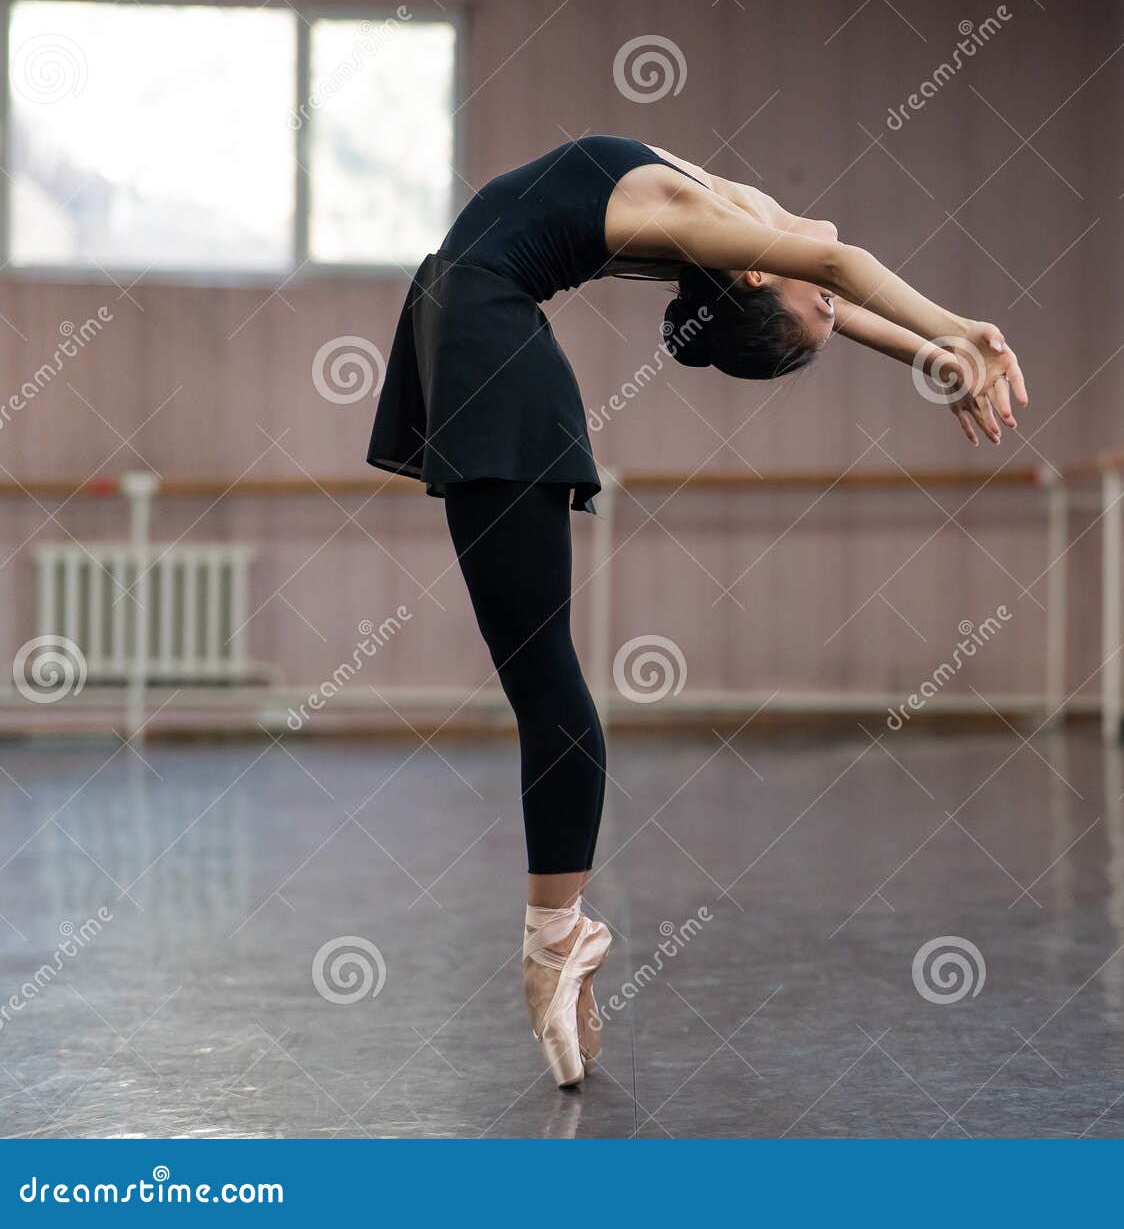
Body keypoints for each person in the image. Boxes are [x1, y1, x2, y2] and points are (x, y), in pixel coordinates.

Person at [367, 135, 1028, 1089]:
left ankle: (556, 936)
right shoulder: (699, 221)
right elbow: (831, 262)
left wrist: (938, 348)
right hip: (477, 337)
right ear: (754, 270)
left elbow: (825, 271)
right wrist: (954, 331)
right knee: (540, 667)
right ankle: (555, 939)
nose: (830, 297)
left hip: (477, 336)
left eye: (821, 303)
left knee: (540, 668)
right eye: (824, 307)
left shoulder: (700, 225)